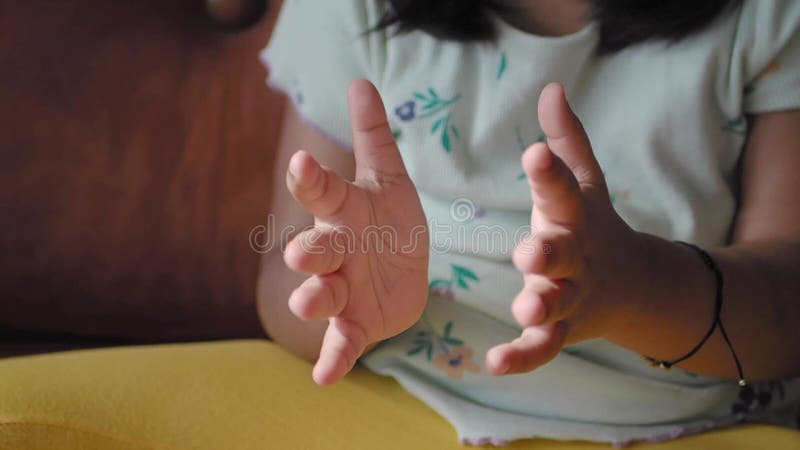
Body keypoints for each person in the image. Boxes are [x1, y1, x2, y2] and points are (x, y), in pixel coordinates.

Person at [256, 0, 800, 445]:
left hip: (693, 417)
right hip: (404, 389)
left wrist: (637, 288)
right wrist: (342, 293)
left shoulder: (766, 16)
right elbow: (283, 291)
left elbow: (787, 308)